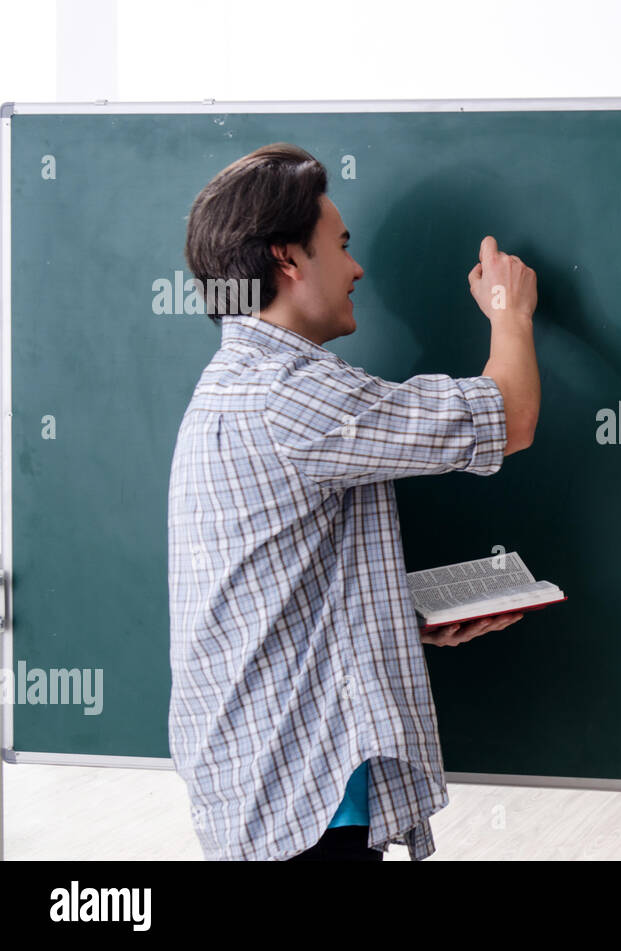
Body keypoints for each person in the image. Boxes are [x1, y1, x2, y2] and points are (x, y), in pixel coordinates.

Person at [167, 143, 540, 860]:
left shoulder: (231, 385)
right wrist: (509, 311)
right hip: (299, 794)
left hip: (264, 779)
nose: (357, 267)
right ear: (287, 260)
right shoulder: (287, 395)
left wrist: (393, 618)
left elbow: (269, 586)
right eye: (339, 245)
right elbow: (509, 417)